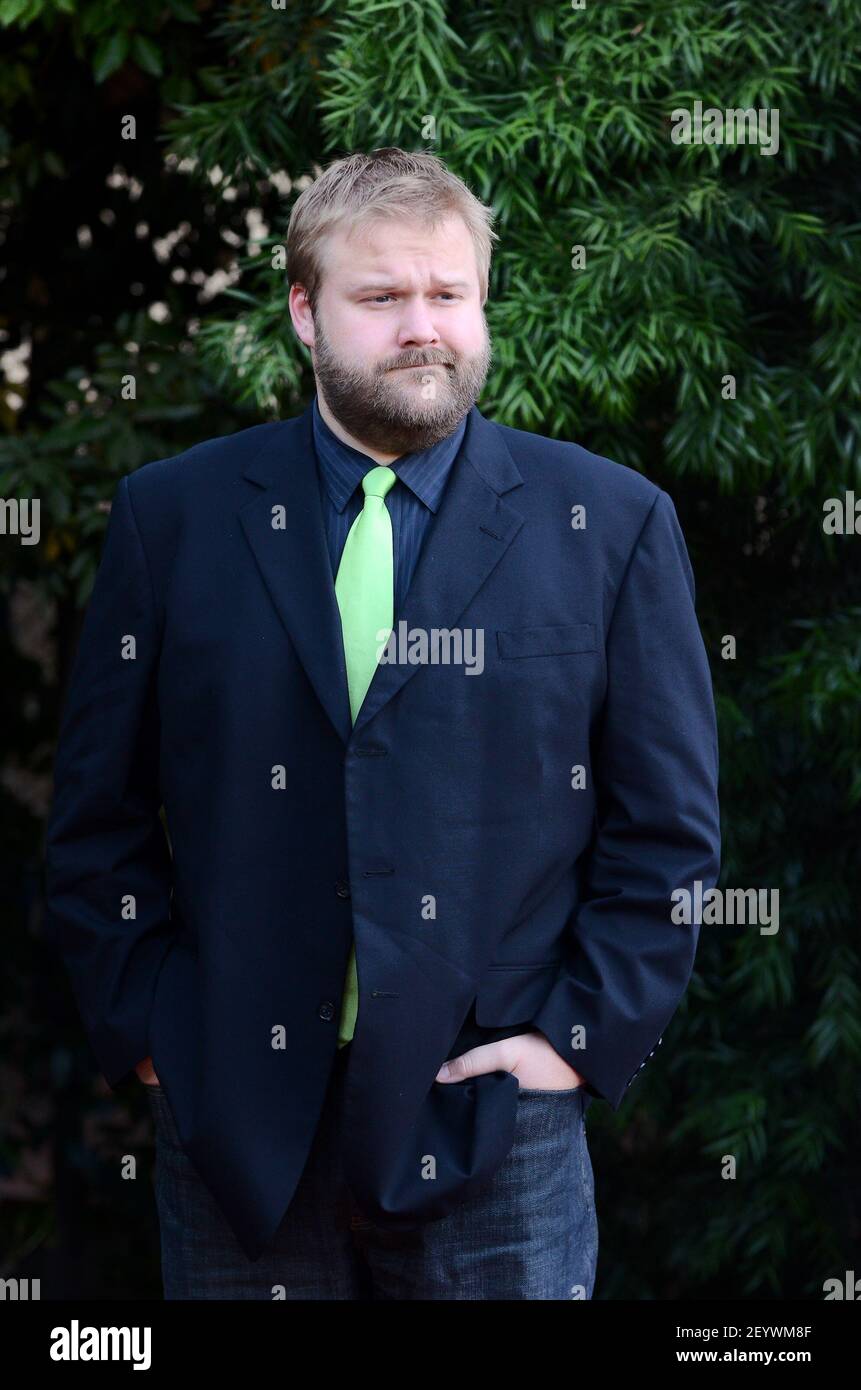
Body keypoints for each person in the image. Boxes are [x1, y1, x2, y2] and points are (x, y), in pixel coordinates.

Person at [44, 147, 721, 1299]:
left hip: (496, 1138)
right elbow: (94, 819)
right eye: (382, 297)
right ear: (305, 312)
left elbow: (669, 832)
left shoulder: (607, 525)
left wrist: (574, 1041)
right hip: (238, 1134)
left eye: (448, 295)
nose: (423, 327)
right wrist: (155, 1025)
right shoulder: (175, 518)